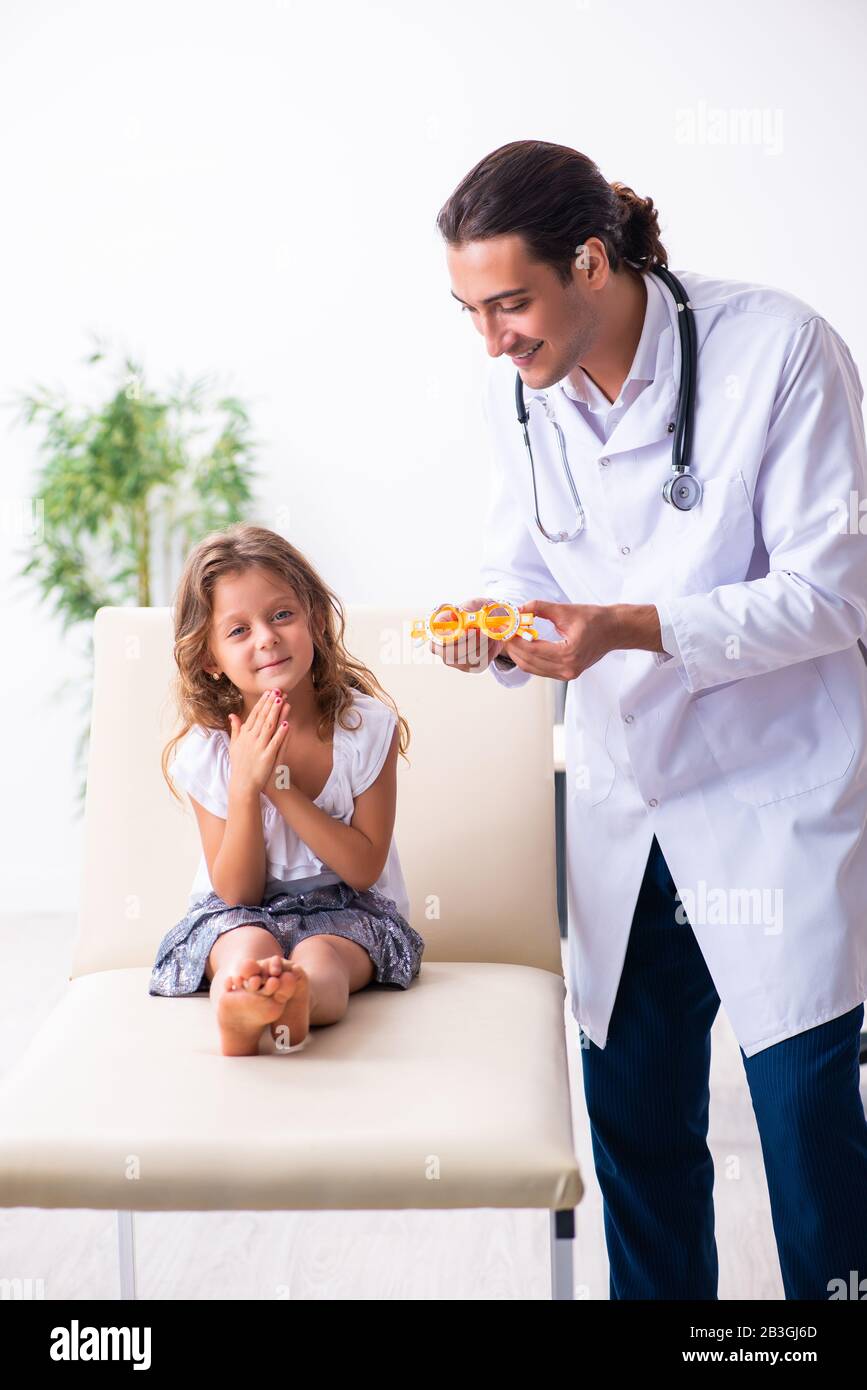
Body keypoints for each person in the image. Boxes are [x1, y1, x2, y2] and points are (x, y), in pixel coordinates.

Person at [431, 139, 867, 1300]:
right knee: (639, 1144)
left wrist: (622, 627)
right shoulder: (514, 393)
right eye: (469, 310)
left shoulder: (780, 350)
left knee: (812, 1139)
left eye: (510, 303)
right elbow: (517, 563)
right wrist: (496, 625)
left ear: (588, 261)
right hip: (628, 811)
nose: (491, 339)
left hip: (779, 798)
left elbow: (834, 594)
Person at [149, 522, 424, 1058]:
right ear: (210, 659)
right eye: (238, 630)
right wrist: (244, 788)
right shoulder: (209, 751)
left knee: (321, 960)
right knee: (246, 948)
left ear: (315, 620)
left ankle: (297, 1003)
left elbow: (364, 867)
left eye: (281, 615)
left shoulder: (365, 729)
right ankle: (243, 1005)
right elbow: (238, 893)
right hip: (240, 909)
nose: (266, 638)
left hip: (350, 906)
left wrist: (279, 788)